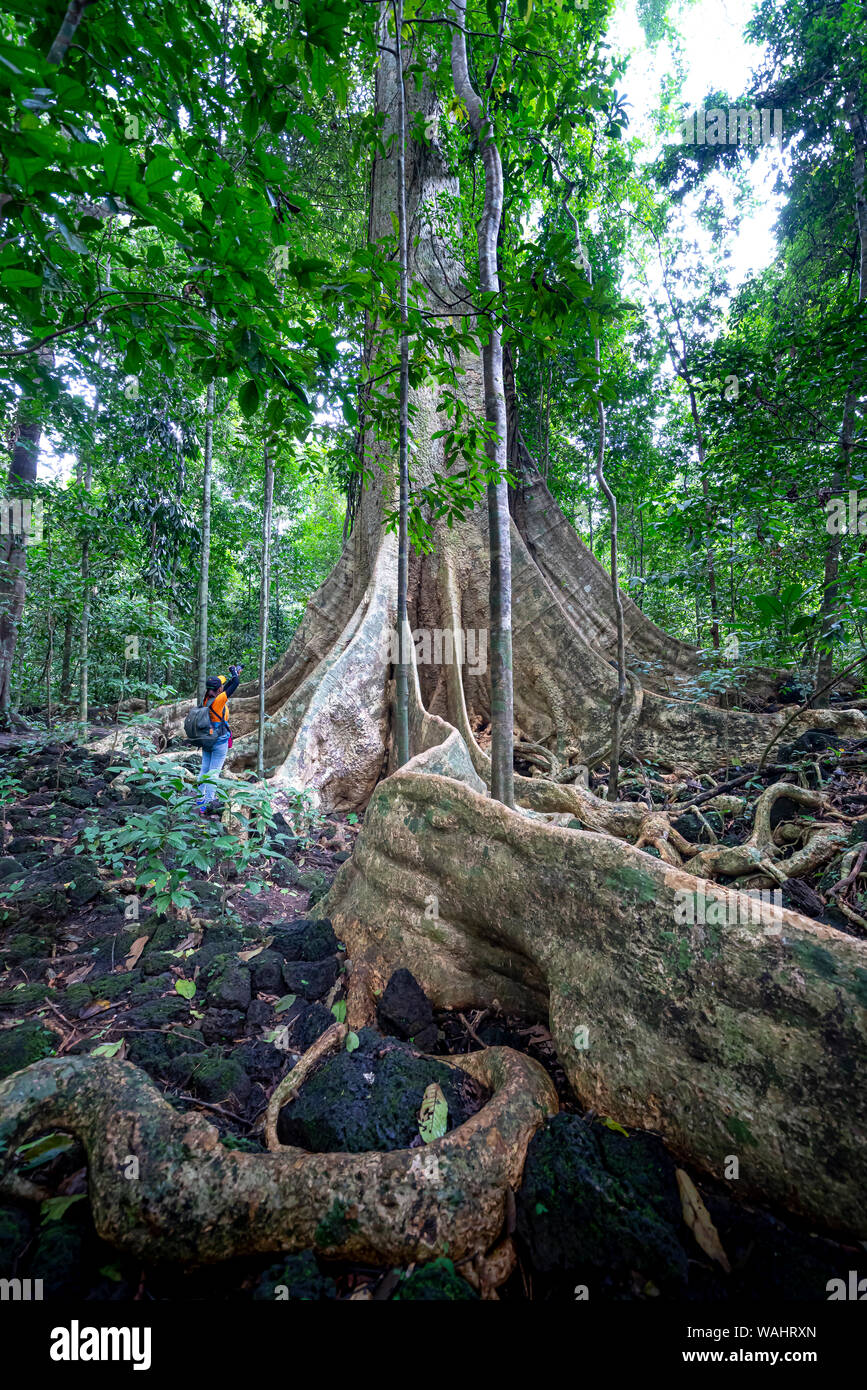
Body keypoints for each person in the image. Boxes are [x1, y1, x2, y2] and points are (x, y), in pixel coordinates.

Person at [196, 664, 242, 813]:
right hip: (219, 741)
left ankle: (200, 797)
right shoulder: (219, 700)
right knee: (214, 771)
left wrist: (235, 672)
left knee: (205, 768)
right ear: (219, 690)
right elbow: (234, 684)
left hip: (207, 739)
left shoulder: (206, 698)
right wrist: (234, 673)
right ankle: (208, 802)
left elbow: (227, 684)